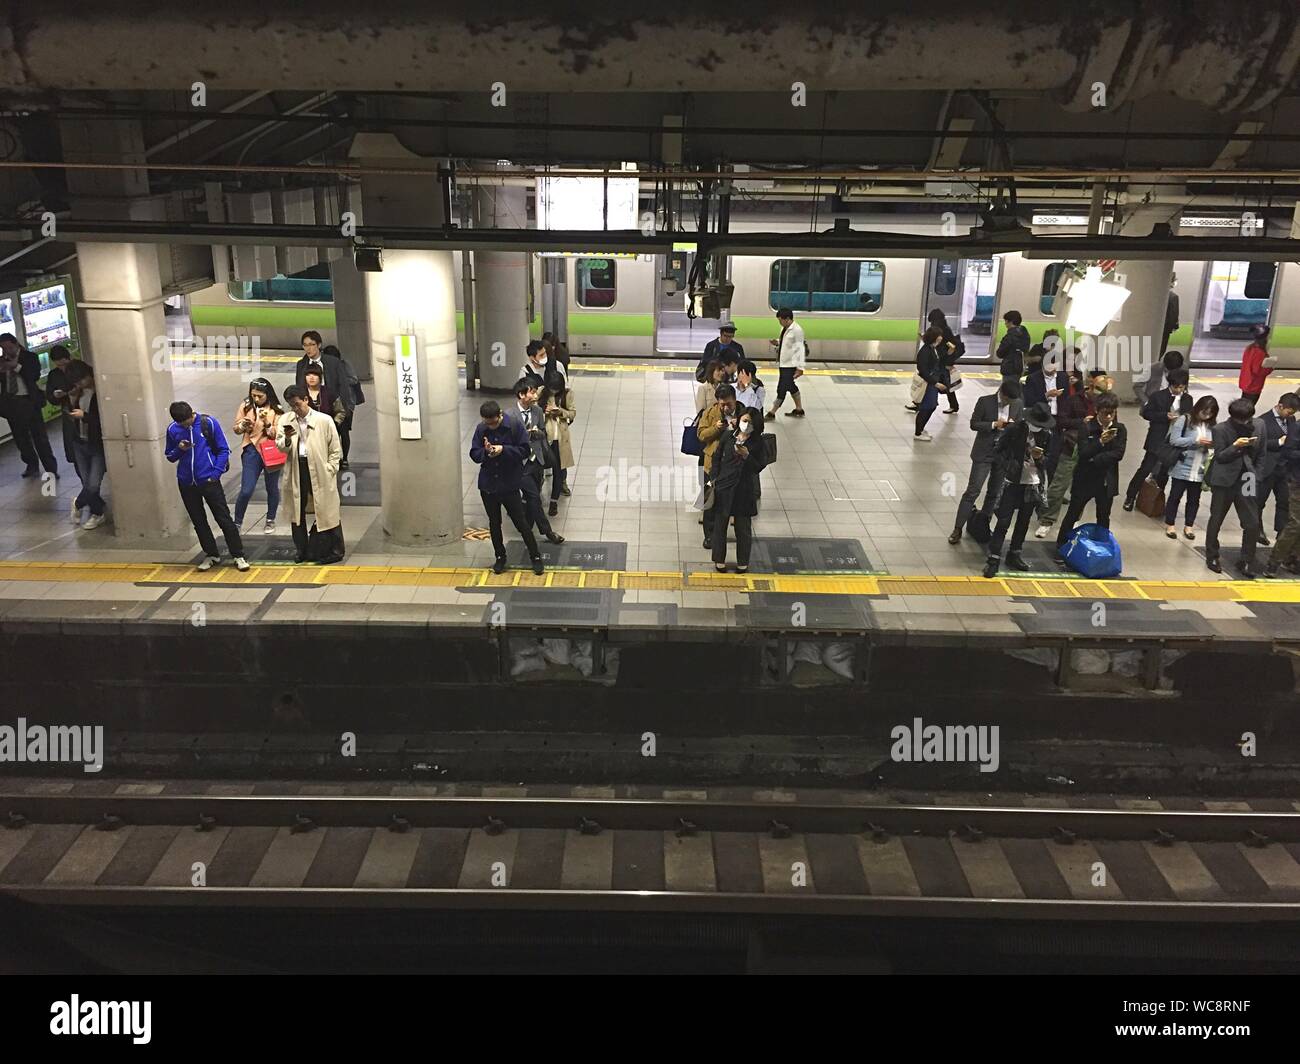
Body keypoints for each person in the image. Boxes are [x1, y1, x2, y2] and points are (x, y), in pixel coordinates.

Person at [165, 400, 249, 572]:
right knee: (198, 520)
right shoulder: (173, 429)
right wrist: (180, 449)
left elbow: (224, 449)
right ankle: (211, 554)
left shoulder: (208, 423)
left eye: (188, 420)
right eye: (182, 423)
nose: (186, 424)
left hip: (209, 480)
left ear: (191, 413)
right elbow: (170, 456)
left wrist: (215, 474)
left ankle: (238, 554)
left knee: (223, 518)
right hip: (187, 482)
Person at [469, 399, 544, 575]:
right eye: (487, 423)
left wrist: (503, 450)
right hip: (488, 485)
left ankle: (535, 556)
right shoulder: (481, 429)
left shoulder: (514, 426)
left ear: (500, 415)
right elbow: (474, 453)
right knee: (494, 523)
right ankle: (500, 557)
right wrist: (486, 452)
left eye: (493, 423)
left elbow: (525, 450)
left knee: (521, 523)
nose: (491, 427)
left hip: (509, 484)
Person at [1034, 368, 1109, 539]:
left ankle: (1074, 519)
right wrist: (1081, 422)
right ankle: (1047, 520)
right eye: (1097, 390)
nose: (1098, 395)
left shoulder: (1106, 405)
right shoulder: (1074, 399)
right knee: (1058, 486)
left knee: (1081, 488)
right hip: (1071, 446)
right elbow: (1061, 420)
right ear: (1090, 386)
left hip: (1091, 450)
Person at [982, 402, 1056, 577]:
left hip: (1032, 483)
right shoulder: (1014, 430)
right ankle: (993, 559)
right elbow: (998, 451)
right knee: (1003, 522)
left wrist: (1040, 459)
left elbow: (1050, 460)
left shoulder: (1047, 435)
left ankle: (1014, 553)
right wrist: (1010, 464)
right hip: (1012, 482)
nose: (1038, 428)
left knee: (1023, 521)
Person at [275, 385, 345, 565]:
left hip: (320, 469)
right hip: (297, 469)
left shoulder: (324, 420)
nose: (295, 409)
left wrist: (331, 468)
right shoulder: (286, 420)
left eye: (297, 404)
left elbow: (335, 449)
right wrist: (288, 437)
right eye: (292, 406)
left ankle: (335, 550)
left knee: (327, 509)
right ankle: (301, 550)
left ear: (306, 400)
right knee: (296, 512)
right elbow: (281, 446)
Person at [950, 380, 1023, 544]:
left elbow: (1019, 426)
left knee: (994, 492)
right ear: (1002, 393)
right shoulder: (985, 401)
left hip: (1003, 455)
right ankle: (958, 528)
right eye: (1008, 400)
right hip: (984, 452)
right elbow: (974, 424)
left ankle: (983, 525)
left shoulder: (1017, 404)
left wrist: (1012, 428)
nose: (1010, 403)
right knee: (973, 490)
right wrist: (993, 425)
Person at [1055, 393, 1127, 550]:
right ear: (1096, 410)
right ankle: (1061, 544)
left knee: (1103, 516)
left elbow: (1118, 454)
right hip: (1085, 479)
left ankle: (1102, 547)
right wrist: (1100, 442)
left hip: (1106, 480)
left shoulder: (1120, 429)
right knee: (1073, 513)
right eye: (1105, 413)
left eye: (1112, 413)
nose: (1109, 417)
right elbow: (1084, 452)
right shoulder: (1086, 427)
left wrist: (1096, 460)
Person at [1204, 398, 1266, 578]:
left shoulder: (1260, 425)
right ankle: (1212, 556)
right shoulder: (1220, 429)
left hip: (1247, 478)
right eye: (1241, 420)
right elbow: (1220, 456)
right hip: (1224, 480)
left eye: (1247, 419)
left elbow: (1262, 453)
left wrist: (1257, 476)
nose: (1245, 423)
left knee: (1252, 522)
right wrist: (1235, 446)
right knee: (1216, 518)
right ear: (1233, 417)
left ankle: (1246, 559)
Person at [1122, 367, 1193, 510]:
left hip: (1174, 441)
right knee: (1146, 468)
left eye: (1182, 387)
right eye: (1176, 386)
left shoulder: (1187, 399)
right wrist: (1164, 416)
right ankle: (1130, 496)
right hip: (1158, 438)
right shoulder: (1158, 396)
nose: (1179, 390)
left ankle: (1155, 501)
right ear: (1170, 384)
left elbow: (1189, 416)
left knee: (1164, 472)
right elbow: (1146, 413)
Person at [710, 405, 769, 573]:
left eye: (750, 422)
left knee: (743, 529)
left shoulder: (758, 443)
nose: (745, 424)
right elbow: (717, 457)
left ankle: (743, 561)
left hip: (744, 490)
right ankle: (719, 559)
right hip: (724, 487)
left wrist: (747, 456)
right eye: (744, 420)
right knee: (720, 525)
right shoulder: (728, 436)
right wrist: (715, 478)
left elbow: (759, 466)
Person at [0, 332, 59, 479]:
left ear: (16, 344)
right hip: (11, 402)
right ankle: (31, 464)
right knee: (20, 438)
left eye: (9, 347)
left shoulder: (30, 357)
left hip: (29, 401)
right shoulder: (1, 361)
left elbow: (34, 376)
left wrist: (17, 367)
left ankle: (50, 468)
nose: (7, 351)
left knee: (40, 437)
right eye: (3, 348)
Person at [513, 378, 564, 544]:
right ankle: (547, 531)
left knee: (530, 498)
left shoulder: (536, 412)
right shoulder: (510, 415)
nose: (535, 394)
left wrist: (539, 434)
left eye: (535, 391)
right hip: (520, 464)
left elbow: (543, 433)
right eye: (532, 392)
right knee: (534, 497)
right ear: (522, 394)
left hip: (536, 461)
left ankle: (525, 528)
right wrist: (525, 434)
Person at [231, 377, 284, 534]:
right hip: (251, 451)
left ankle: (270, 519)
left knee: (272, 487)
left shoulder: (277, 410)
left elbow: (277, 434)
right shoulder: (246, 406)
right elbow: (236, 428)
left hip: (270, 450)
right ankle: (237, 522)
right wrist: (242, 425)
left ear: (267, 394)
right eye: (253, 395)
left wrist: (267, 423)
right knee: (246, 489)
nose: (256, 398)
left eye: (260, 396)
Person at [1163, 395, 1218, 541]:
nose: (1206, 416)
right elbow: (1174, 440)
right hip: (1182, 465)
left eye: (1210, 413)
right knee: (1175, 496)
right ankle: (1170, 524)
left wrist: (1211, 444)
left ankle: (1189, 526)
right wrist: (1194, 441)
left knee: (1194, 499)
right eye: (1204, 412)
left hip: (1200, 468)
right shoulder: (1185, 420)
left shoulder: (1212, 426)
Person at [66, 362, 108, 530]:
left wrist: (85, 416)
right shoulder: (78, 393)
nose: (80, 384)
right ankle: (98, 513)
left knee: (93, 484)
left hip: (96, 443)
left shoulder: (101, 393)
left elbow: (102, 421)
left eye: (82, 380)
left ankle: (78, 503)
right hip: (79, 442)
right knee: (86, 482)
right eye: (77, 382)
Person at [1254, 392, 1299, 546]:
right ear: (1280, 406)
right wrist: (1279, 442)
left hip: (1285, 468)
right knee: (1260, 501)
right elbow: (1258, 444)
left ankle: (1281, 532)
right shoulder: (1263, 421)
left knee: (1284, 502)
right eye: (1288, 412)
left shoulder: (1292, 420)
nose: (1290, 415)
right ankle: (1257, 529)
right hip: (1268, 467)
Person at [698, 383, 738, 550]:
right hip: (711, 467)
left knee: (731, 502)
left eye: (728, 403)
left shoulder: (744, 414)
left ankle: (726, 531)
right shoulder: (710, 413)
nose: (726, 407)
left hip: (733, 467)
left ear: (735, 400)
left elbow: (755, 430)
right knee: (710, 502)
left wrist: (739, 427)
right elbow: (701, 434)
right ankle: (709, 535)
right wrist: (716, 428)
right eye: (722, 404)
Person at [1264, 425, 1300, 577]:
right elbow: (1288, 452)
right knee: (1295, 523)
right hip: (1297, 481)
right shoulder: (1298, 426)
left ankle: (1293, 559)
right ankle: (1274, 562)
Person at [322, 344, 363, 470]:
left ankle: (344, 458)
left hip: (345, 403)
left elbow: (354, 379)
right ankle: (334, 457)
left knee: (343, 431)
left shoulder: (343, 365)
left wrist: (339, 380)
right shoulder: (323, 367)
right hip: (330, 403)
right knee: (331, 431)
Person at [542, 368, 576, 518]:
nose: (554, 393)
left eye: (556, 390)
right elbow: (535, 411)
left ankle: (554, 501)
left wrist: (559, 411)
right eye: (552, 390)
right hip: (545, 437)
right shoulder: (541, 392)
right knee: (539, 469)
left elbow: (572, 413)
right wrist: (546, 413)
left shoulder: (568, 394)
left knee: (558, 471)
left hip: (560, 438)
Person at [43, 345, 79, 482]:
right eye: (58, 365)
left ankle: (90, 489)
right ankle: (86, 485)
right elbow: (50, 396)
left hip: (82, 409)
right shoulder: (54, 375)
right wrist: (55, 395)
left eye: (64, 364)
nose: (62, 368)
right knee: (73, 451)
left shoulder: (78, 369)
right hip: (67, 411)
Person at [765, 307, 806, 420]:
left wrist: (800, 368)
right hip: (783, 364)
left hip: (790, 365)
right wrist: (777, 342)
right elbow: (786, 342)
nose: (779, 322)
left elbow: (799, 348)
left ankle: (772, 412)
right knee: (790, 386)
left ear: (787, 319)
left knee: (782, 388)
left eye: (780, 320)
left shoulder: (797, 330)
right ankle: (799, 409)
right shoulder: (784, 329)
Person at [912, 326, 949, 442]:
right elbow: (922, 370)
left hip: (932, 382)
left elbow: (937, 361)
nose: (941, 338)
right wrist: (936, 383)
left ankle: (921, 428)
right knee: (926, 407)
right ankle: (918, 432)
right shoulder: (925, 351)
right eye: (939, 335)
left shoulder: (933, 348)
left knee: (931, 406)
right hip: (928, 383)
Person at [931, 309, 965, 414]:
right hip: (942, 360)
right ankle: (954, 405)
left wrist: (948, 362)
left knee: (937, 383)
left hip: (943, 361)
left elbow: (950, 346)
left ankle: (920, 403)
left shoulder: (942, 330)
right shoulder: (944, 328)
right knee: (944, 384)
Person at [295, 330, 345, 397]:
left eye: (311, 344)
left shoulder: (333, 362)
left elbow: (343, 385)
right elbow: (299, 386)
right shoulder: (301, 364)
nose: (308, 348)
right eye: (305, 345)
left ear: (319, 345)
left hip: (331, 403)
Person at [302, 363, 347, 430]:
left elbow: (340, 411)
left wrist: (334, 424)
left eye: (315, 375)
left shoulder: (329, 393)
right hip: (305, 431)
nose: (311, 378)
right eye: (308, 375)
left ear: (320, 377)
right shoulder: (300, 393)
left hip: (326, 430)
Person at [1239, 325, 1274, 406]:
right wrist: (1270, 368)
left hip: (1246, 382)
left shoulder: (1249, 348)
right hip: (1254, 385)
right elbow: (1257, 371)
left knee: (1243, 405)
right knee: (1248, 408)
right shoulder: (1260, 353)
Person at [995, 310, 1031, 382]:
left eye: (1006, 321)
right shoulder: (1025, 333)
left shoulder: (1010, 336)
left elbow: (1000, 353)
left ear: (1010, 322)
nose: (1005, 324)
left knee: (1008, 388)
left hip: (1009, 367)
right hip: (1020, 366)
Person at [1161, 274, 1179, 358]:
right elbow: (1173, 317)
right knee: (1160, 351)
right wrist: (1173, 328)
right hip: (1164, 332)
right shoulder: (1173, 297)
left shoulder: (1154, 295)